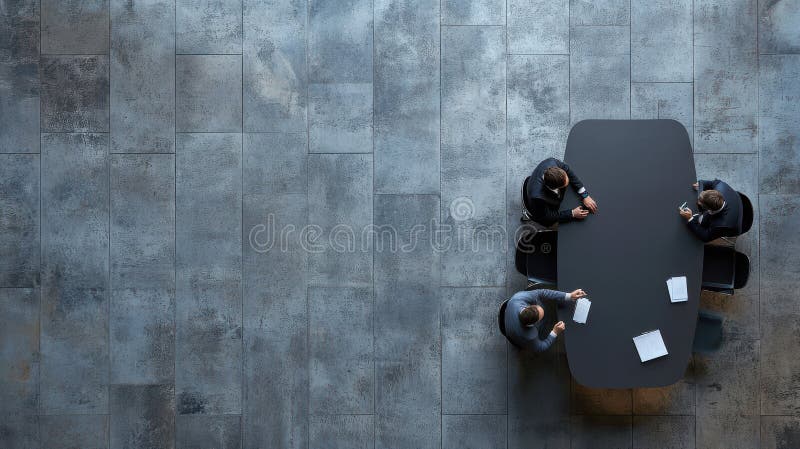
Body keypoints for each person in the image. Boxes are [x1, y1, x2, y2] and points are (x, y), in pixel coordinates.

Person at [503, 288, 587, 352]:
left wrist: (569, 296)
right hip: (515, 334)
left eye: (537, 306)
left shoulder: (517, 298)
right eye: (541, 317)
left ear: (528, 306)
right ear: (536, 323)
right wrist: (555, 332)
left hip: (510, 316)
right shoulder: (530, 336)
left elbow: (542, 292)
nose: (540, 306)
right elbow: (542, 347)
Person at [525, 158, 598, 227]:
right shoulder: (537, 197)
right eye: (565, 184)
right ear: (555, 188)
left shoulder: (552, 162)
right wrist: (572, 213)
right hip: (540, 209)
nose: (568, 179)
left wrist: (585, 195)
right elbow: (546, 216)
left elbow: (569, 171)